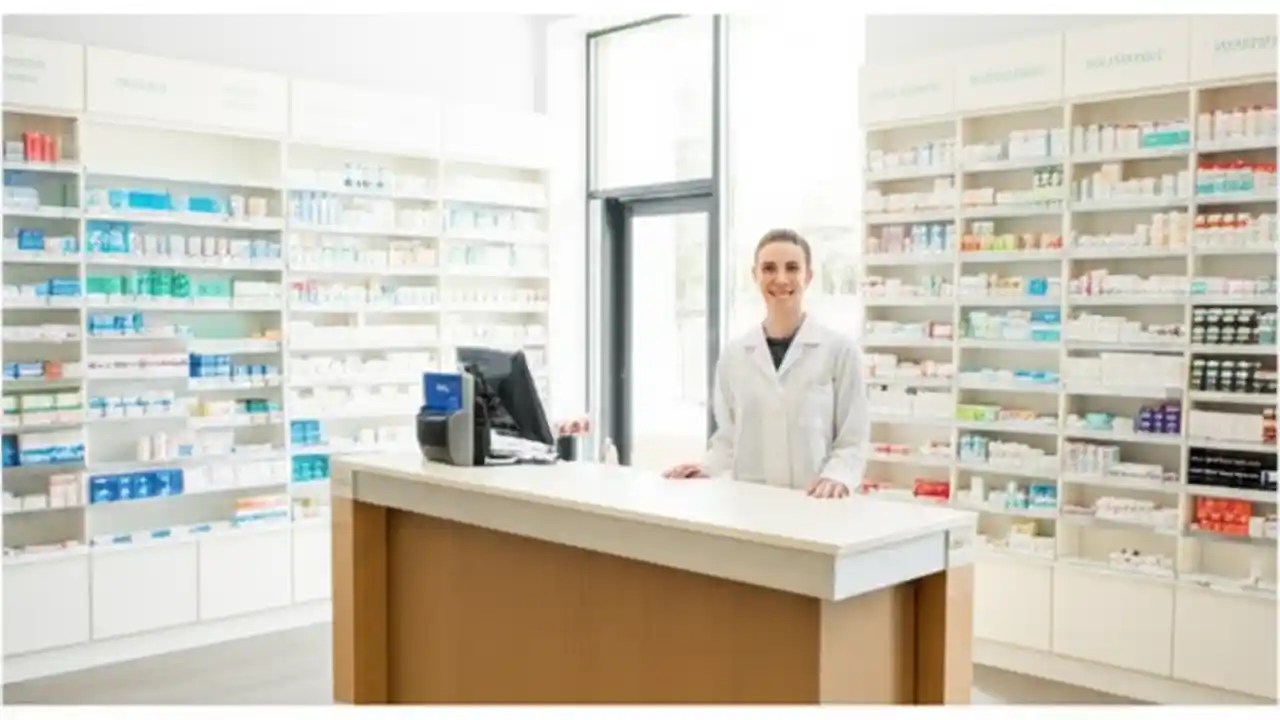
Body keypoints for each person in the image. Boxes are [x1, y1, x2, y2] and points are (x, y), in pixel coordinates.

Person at [663, 228, 869, 499]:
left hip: (816, 502)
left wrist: (837, 476)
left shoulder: (840, 351)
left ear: (808, 276)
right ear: (755, 275)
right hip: (751, 503)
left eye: (792, 268)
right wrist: (707, 467)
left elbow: (853, 437)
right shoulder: (734, 356)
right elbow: (728, 436)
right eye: (769, 268)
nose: (781, 279)